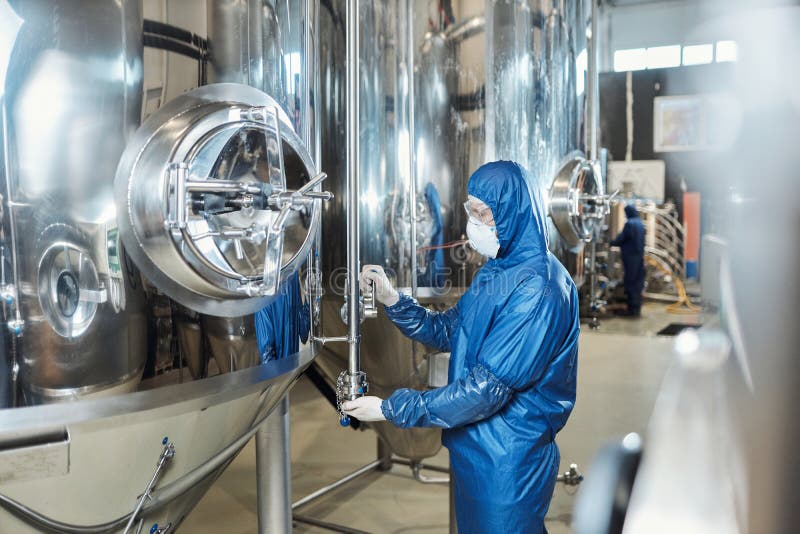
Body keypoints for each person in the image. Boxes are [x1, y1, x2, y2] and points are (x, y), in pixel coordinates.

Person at [342, 161, 580, 533]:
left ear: (511, 212)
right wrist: (394, 301)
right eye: (471, 210)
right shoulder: (496, 271)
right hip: (475, 446)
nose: (473, 223)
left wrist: (392, 408)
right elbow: (450, 330)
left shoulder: (539, 288)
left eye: (483, 213)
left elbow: (488, 389)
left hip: (509, 457)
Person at [254, 271, 309, 362]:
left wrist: (309, 298)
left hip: (292, 369)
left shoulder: (293, 275)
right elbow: (267, 355)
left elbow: (304, 333)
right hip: (281, 372)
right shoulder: (265, 284)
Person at [610, 204, 646, 317]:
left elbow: (622, 239)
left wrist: (610, 242)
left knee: (630, 282)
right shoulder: (640, 223)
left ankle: (632, 310)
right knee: (637, 282)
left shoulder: (630, 224)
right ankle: (637, 308)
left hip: (630, 258)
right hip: (639, 257)